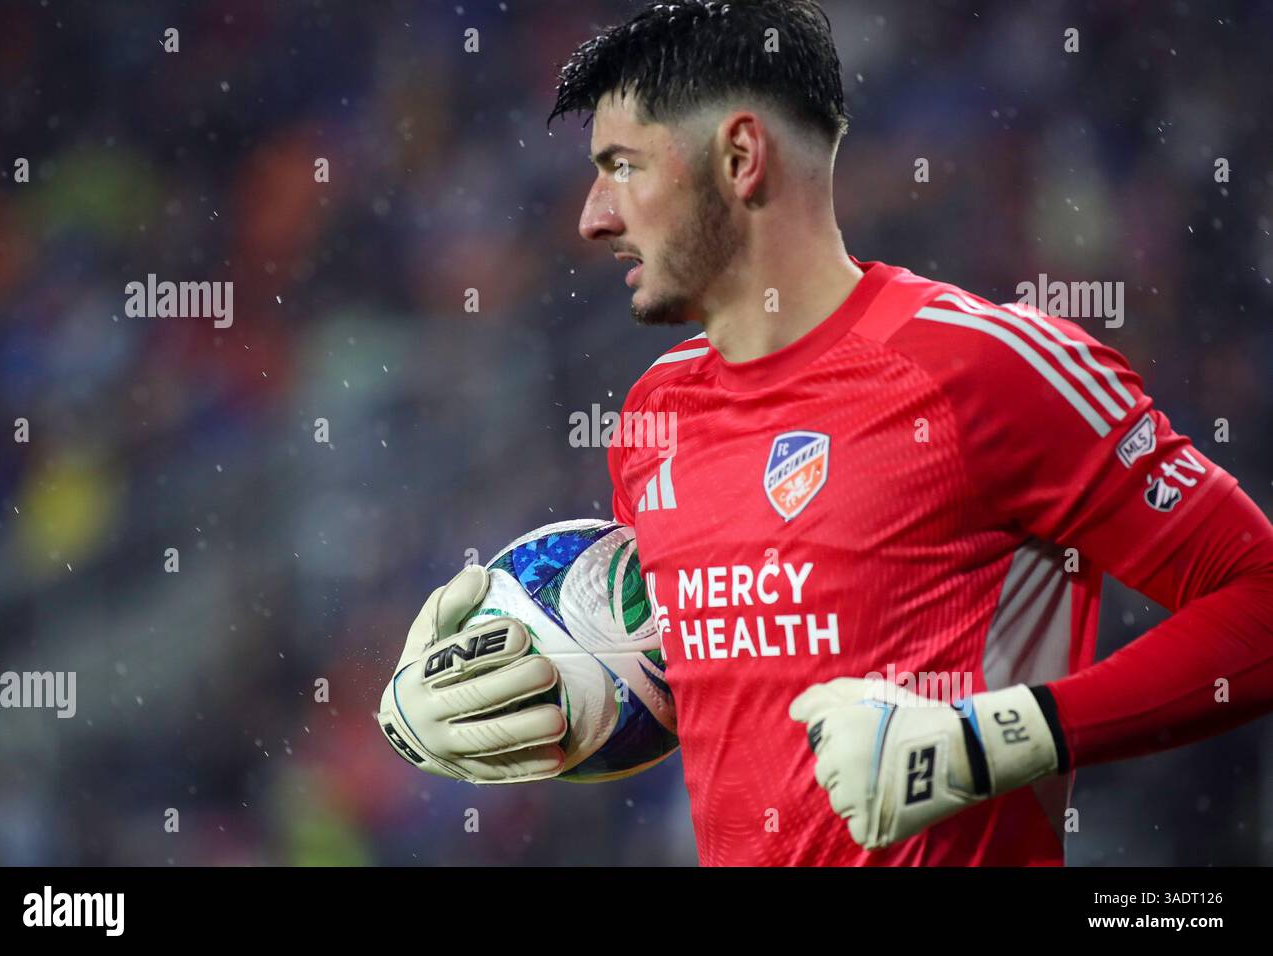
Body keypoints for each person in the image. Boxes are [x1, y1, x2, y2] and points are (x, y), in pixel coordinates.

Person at [378, 0, 1273, 866]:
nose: (593, 217)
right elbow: (726, 695)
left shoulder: (988, 368)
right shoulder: (653, 416)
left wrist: (988, 741)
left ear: (739, 156)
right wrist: (504, 695)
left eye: (622, 166)